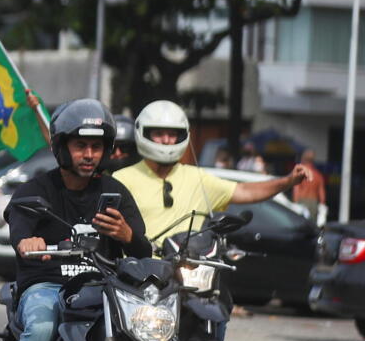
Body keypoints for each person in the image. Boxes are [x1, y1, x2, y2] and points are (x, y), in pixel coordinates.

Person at [0, 98, 153, 341]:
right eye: (80, 145)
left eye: (96, 146)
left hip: (103, 289)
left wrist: (127, 234)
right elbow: (19, 228)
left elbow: (143, 249)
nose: (88, 154)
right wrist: (28, 242)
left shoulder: (115, 193)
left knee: (145, 335)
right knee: (40, 331)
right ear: (61, 147)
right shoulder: (37, 190)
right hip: (48, 286)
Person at [112, 101, 311, 246]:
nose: (166, 140)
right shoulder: (122, 179)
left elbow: (245, 191)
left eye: (172, 134)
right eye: (158, 134)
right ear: (144, 133)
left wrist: (288, 181)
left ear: (183, 136)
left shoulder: (197, 178)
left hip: (187, 273)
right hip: (137, 276)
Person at [291, 149, 326, 224]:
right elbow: (322, 195)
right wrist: (322, 208)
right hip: (314, 202)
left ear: (303, 159)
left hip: (302, 201)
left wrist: (295, 204)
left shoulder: (301, 173)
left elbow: (296, 190)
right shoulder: (318, 175)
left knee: (300, 224)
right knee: (311, 225)